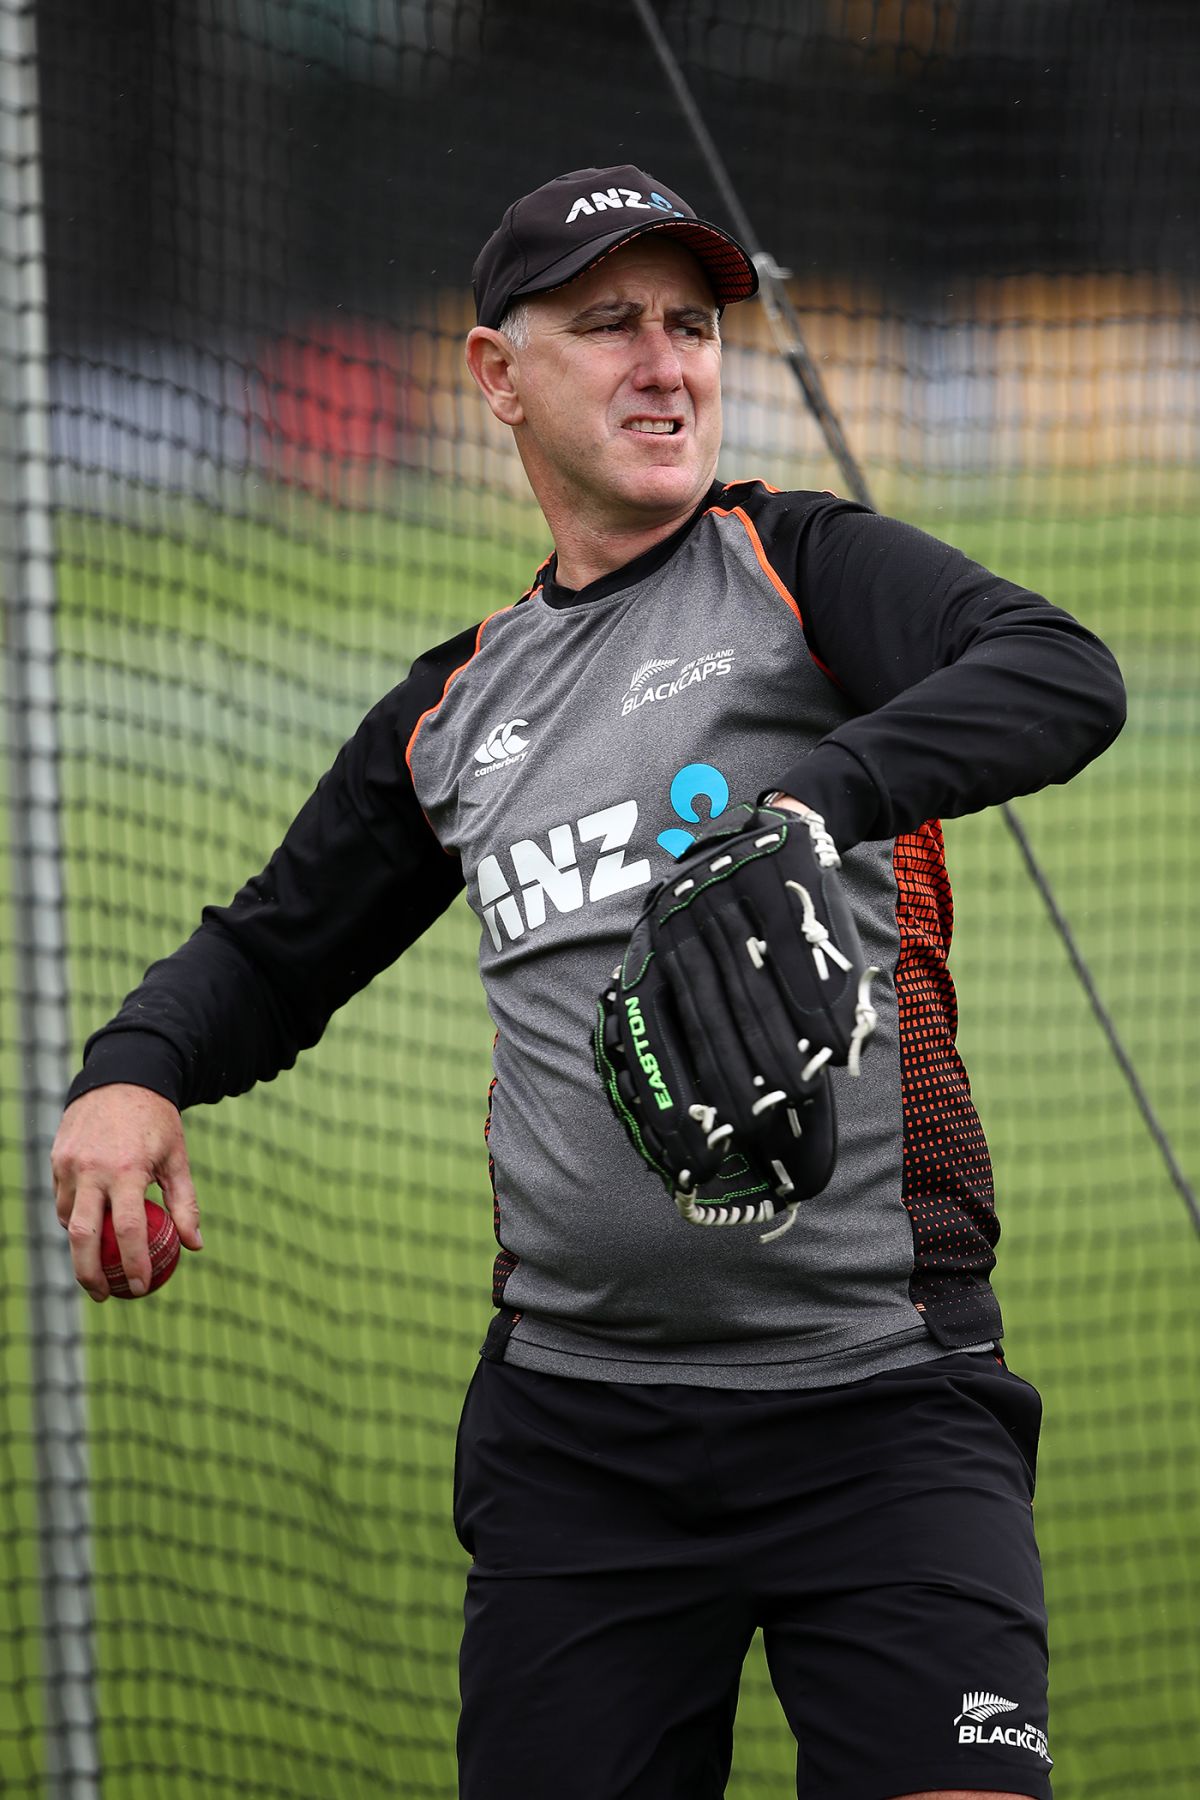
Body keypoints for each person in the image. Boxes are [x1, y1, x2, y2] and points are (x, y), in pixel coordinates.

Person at [52, 164, 1125, 1800]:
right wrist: (130, 1075)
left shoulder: (796, 565)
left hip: (884, 1400)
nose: (665, 362)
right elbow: (274, 947)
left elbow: (1057, 673)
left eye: (690, 324)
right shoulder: (457, 713)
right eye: (608, 324)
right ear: (499, 375)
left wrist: (819, 797)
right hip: (581, 1445)